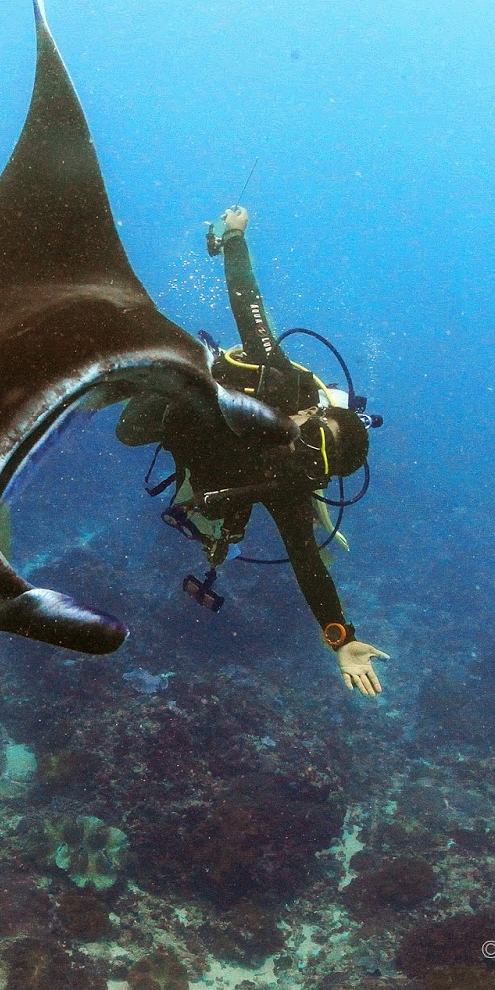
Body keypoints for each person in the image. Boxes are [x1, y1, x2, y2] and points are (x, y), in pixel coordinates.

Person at [117, 205, 390, 696]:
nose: (297, 446)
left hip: (197, 449)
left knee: (129, 432)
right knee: (132, 420)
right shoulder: (283, 384)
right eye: (310, 434)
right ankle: (191, 354)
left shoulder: (291, 486)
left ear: (319, 473)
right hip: (193, 397)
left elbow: (307, 565)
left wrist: (341, 639)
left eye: (312, 456)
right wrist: (236, 239)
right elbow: (250, 307)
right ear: (311, 413)